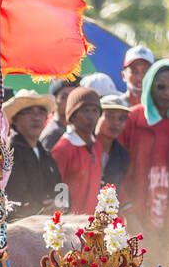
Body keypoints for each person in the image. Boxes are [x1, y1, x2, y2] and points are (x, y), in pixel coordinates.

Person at [119, 59, 169, 234]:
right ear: (149, 85)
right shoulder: (131, 120)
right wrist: (128, 214)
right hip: (133, 217)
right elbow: (115, 172)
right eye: (160, 87)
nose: (167, 93)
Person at [2, 89, 62, 221]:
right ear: (15, 119)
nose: (36, 117)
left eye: (41, 112)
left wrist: (59, 203)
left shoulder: (45, 154)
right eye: (28, 112)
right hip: (19, 228)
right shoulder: (9, 152)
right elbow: (13, 195)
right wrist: (41, 209)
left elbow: (59, 187)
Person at [50, 85, 103, 215]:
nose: (91, 116)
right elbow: (57, 187)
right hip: (70, 226)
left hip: (91, 224)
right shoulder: (63, 149)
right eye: (85, 111)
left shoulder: (97, 146)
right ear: (72, 116)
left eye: (95, 111)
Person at [94, 94, 131, 202]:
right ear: (97, 116)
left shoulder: (122, 156)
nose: (116, 123)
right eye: (110, 116)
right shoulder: (82, 146)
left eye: (121, 118)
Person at [40, 80, 78, 152]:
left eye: (73, 96)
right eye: (64, 97)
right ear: (54, 101)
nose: (70, 101)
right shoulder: (53, 134)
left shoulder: (73, 129)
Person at [122, 44, 154, 108]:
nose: (139, 78)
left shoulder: (160, 110)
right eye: (134, 71)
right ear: (123, 75)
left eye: (145, 71)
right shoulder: (114, 108)